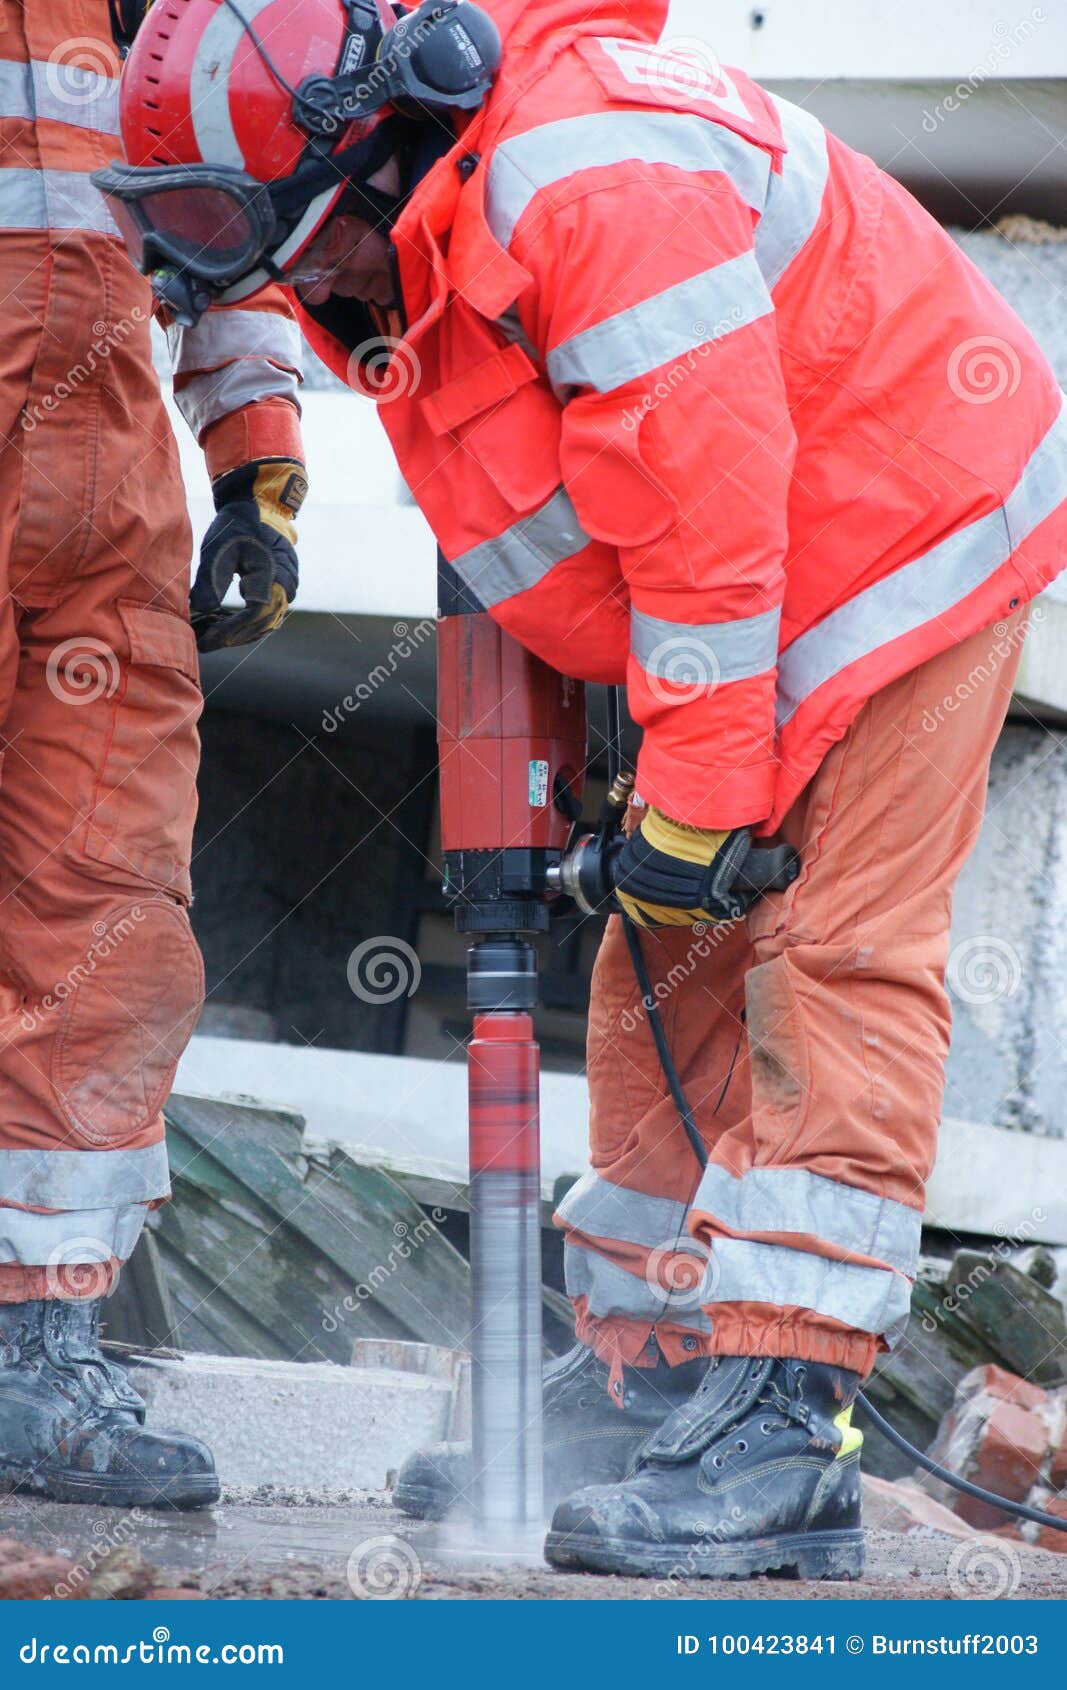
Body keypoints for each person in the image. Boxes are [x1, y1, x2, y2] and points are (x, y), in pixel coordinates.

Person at [101, 0, 1067, 1571]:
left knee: (833, 952)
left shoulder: (590, 178)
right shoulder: (411, 246)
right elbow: (547, 539)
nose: (262, 273)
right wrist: (587, 777)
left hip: (910, 533)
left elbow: (705, 513)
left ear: (370, 142)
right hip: (744, 597)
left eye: (256, 227)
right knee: (658, 949)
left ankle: (784, 1417)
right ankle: (651, 1369)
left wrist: (690, 796)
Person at [0, 0, 308, 1509]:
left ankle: (37, 1352)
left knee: (111, 920)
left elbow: (223, 181)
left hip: (108, 489)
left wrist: (260, 459)